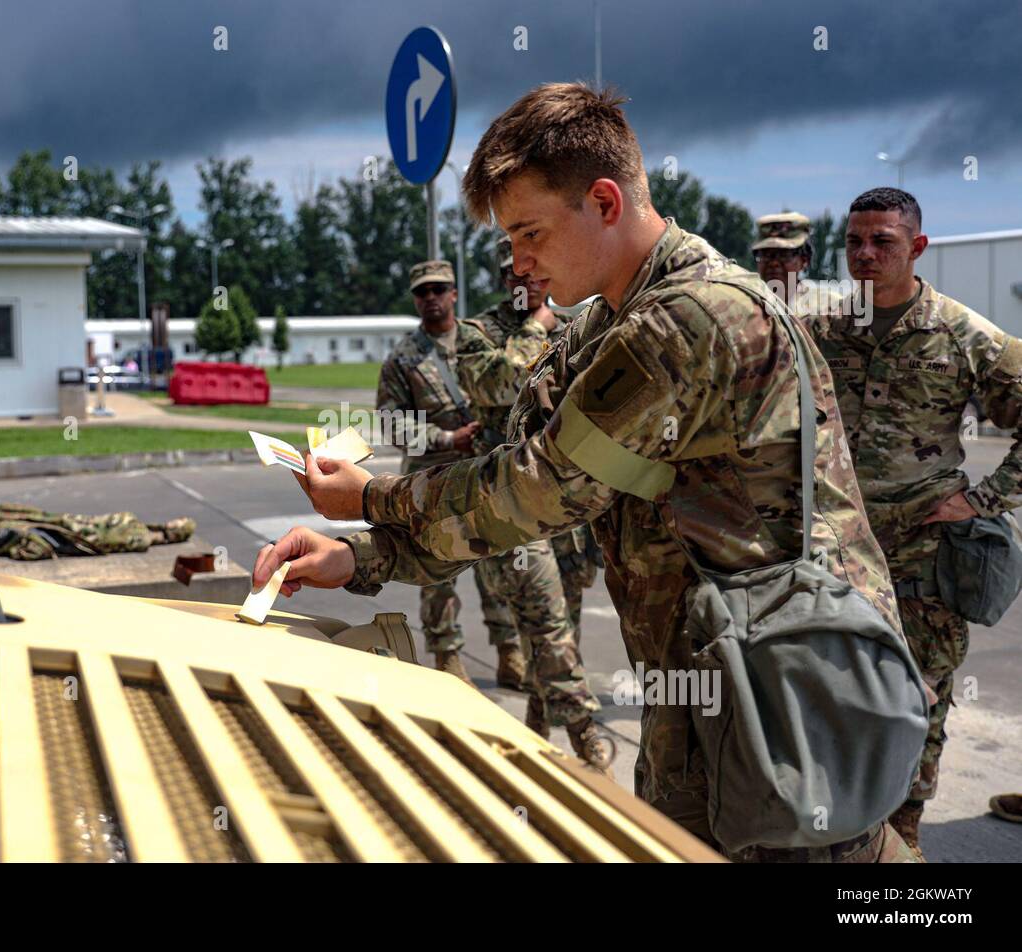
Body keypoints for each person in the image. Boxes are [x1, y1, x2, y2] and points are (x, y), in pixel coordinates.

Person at [256, 82, 918, 861]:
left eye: (530, 232)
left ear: (604, 200)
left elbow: (535, 491)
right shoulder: (606, 321)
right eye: (508, 241)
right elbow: (516, 472)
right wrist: (365, 554)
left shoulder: (690, 320)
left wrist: (370, 498)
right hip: (711, 691)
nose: (520, 262)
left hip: (783, 702)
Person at [811, 187, 1022, 855]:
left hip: (923, 557)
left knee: (922, 699)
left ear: (918, 248)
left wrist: (983, 501)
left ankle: (904, 837)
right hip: (837, 552)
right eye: (854, 242)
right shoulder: (823, 328)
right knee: (831, 691)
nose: (865, 255)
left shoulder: (962, 334)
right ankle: (842, 828)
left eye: (883, 242)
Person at [455, 237, 607, 754]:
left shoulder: (573, 330)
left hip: (567, 506)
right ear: (504, 279)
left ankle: (537, 741)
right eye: (515, 273)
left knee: (562, 630)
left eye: (534, 271)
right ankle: (590, 750)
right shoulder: (477, 334)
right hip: (510, 507)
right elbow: (494, 386)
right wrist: (532, 328)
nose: (527, 281)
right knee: (545, 625)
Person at [374, 259, 526, 689]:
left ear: (454, 293)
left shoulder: (482, 340)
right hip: (433, 481)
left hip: (485, 473)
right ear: (416, 300)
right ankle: (446, 657)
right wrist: (444, 438)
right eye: (423, 292)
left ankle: (510, 652)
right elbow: (392, 423)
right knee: (437, 571)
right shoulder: (403, 358)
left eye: (439, 289)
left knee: (498, 567)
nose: (432, 298)